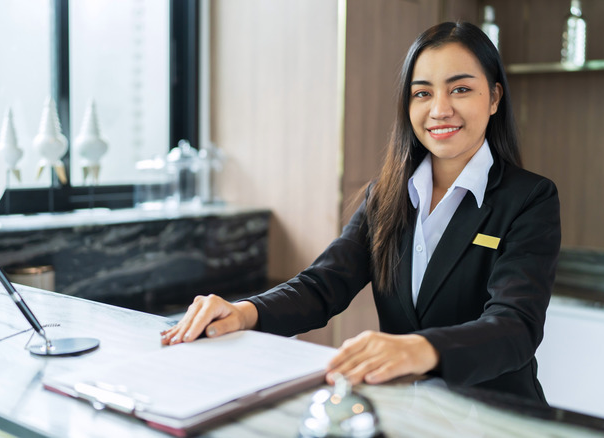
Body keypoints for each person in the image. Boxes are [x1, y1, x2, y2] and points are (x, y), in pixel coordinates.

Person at [161, 21, 561, 403]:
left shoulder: (530, 199)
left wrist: (420, 350)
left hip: (495, 417)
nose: (439, 109)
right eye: (422, 93)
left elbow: (515, 326)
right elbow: (323, 285)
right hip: (407, 411)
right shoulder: (386, 195)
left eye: (459, 89)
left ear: (493, 98)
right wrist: (245, 312)